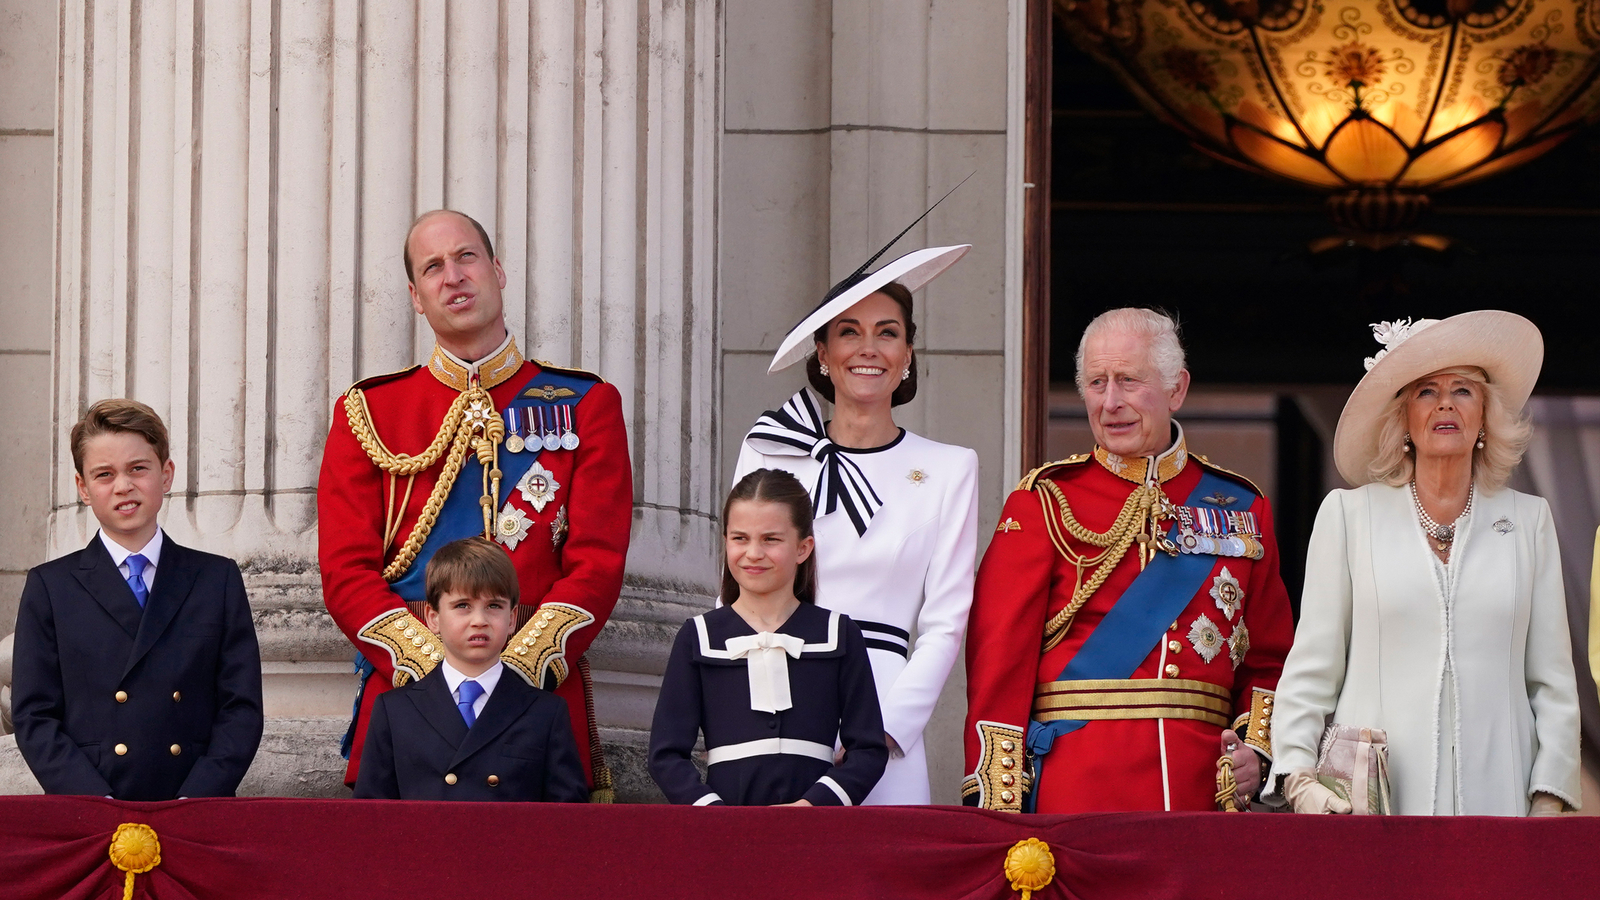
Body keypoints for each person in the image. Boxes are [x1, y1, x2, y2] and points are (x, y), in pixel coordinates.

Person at [318, 209, 632, 799]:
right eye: (432, 267)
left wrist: (514, 667)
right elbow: (344, 570)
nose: (452, 276)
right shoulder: (368, 412)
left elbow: (598, 561)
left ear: (498, 271)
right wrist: (437, 671)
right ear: (416, 296)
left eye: (466, 257)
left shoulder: (587, 403)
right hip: (407, 698)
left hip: (536, 694)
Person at [964, 308, 1294, 813]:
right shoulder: (1045, 501)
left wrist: (1256, 749)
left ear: (1176, 389)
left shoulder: (1243, 507)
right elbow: (999, 664)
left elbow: (1270, 657)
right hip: (1075, 787)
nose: (1110, 402)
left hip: (1201, 791)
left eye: (1128, 381)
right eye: (1097, 383)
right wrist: (998, 805)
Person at [1269, 312, 1580, 816]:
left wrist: (1547, 799)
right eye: (1425, 391)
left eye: (1463, 390)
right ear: (1404, 419)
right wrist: (1299, 779)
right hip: (1370, 809)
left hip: (1502, 807)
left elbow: (1552, 683)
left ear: (1484, 415)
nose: (1444, 405)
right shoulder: (1350, 516)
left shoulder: (1529, 521)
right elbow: (1311, 669)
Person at [734, 232, 977, 805]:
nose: (868, 348)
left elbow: (946, 622)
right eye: (849, 332)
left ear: (908, 353)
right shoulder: (771, 450)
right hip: (776, 697)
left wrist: (884, 731)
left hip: (883, 709)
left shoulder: (949, 469)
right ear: (822, 352)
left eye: (887, 333)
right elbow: (735, 592)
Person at [12, 399, 263, 800]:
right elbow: (34, 715)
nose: (123, 486)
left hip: (194, 805)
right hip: (92, 809)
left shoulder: (216, 579)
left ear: (166, 475)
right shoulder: (50, 586)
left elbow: (241, 707)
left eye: (138, 469)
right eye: (104, 474)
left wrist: (195, 799)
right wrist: (96, 803)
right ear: (83, 488)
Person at [649, 469, 888, 806]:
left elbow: (868, 750)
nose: (753, 553)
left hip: (817, 830)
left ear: (803, 548)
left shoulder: (839, 634)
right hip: (723, 832)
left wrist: (815, 805)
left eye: (770, 539)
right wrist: (711, 812)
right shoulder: (698, 636)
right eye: (740, 538)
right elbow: (665, 755)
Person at [354, 537, 588, 801]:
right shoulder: (395, 710)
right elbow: (371, 818)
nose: (479, 621)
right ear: (433, 618)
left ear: (512, 619)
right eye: (462, 606)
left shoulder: (545, 712)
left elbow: (567, 822)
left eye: (494, 606)